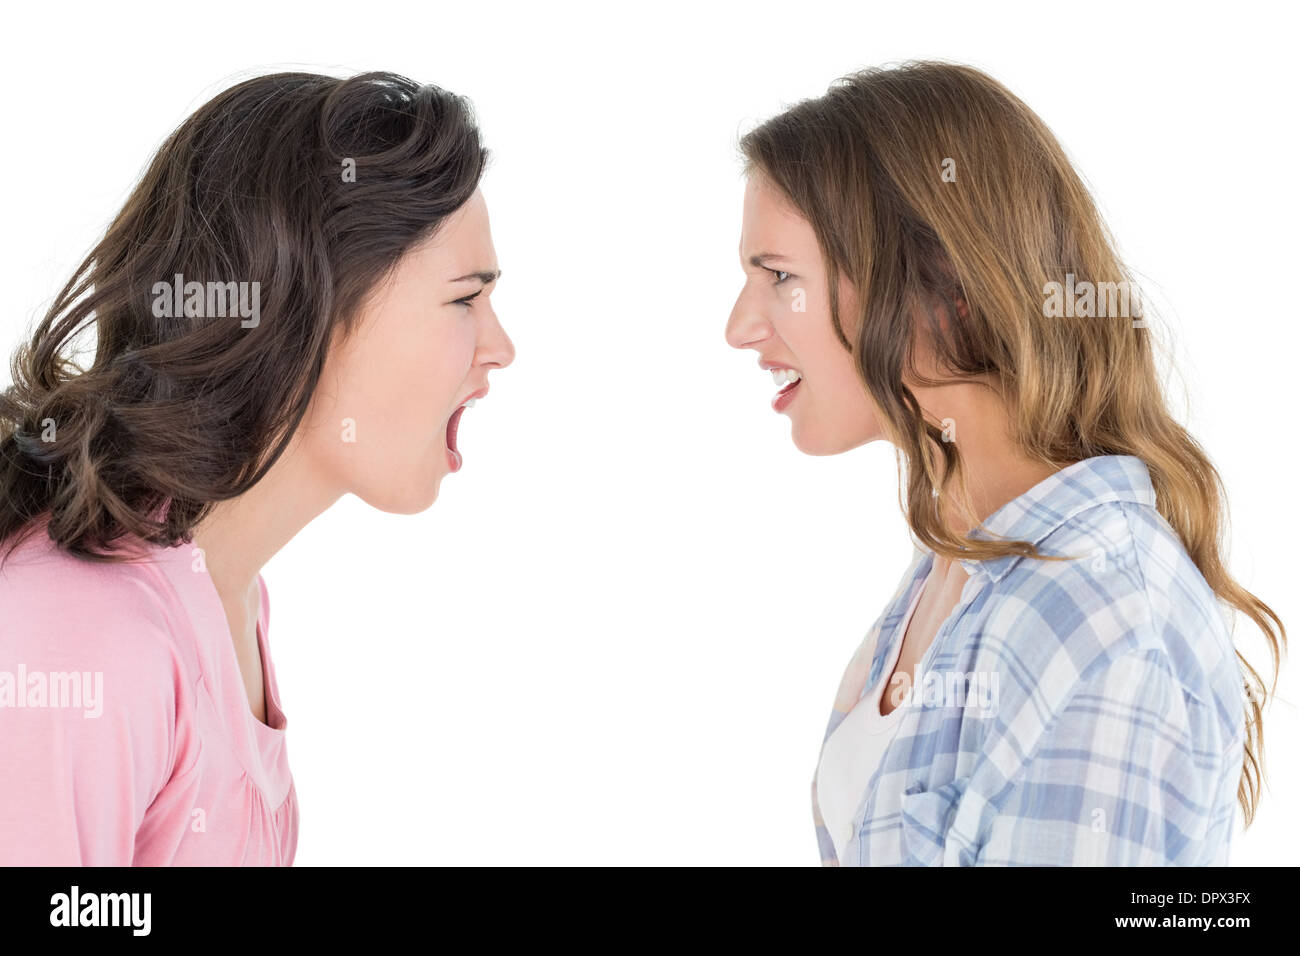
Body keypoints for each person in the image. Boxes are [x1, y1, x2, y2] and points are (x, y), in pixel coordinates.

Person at [725, 61, 1284, 865]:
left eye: (780, 278)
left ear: (940, 288)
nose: (741, 326)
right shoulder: (963, 550)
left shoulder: (1103, 626)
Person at [0, 71, 514, 865]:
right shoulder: (83, 636)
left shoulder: (230, 600)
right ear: (304, 312)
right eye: (463, 299)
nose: (500, 347)